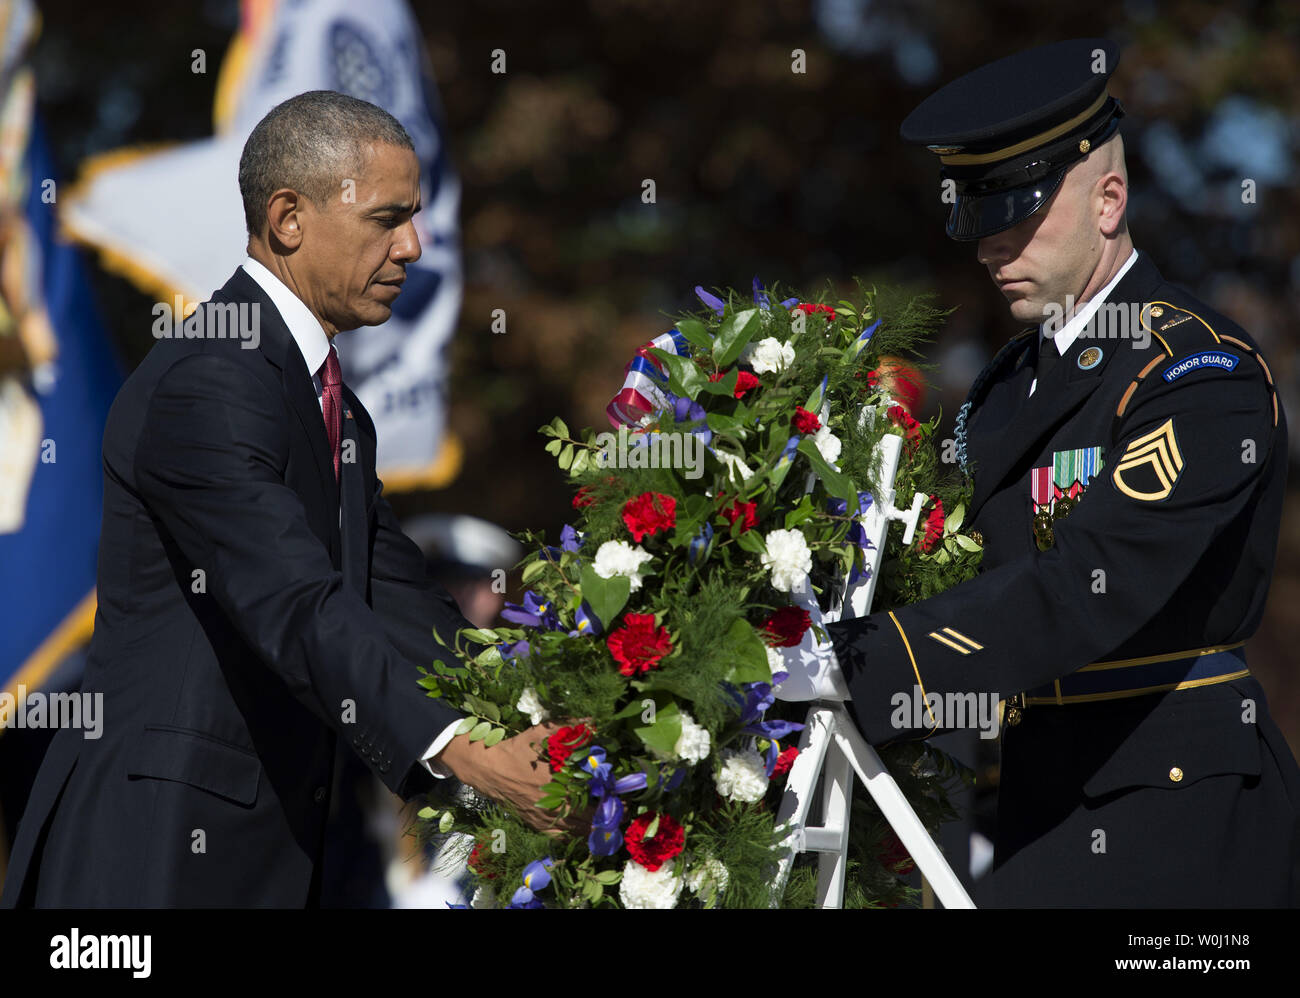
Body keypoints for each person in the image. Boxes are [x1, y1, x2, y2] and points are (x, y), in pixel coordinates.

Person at [1, 91, 560, 908]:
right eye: (387, 218)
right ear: (288, 218)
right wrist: (462, 750)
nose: (414, 245)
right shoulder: (209, 381)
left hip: (270, 854)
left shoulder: (328, 401)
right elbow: (297, 601)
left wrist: (540, 713)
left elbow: (396, 599)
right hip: (154, 859)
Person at [820, 38, 1300, 906]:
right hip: (1030, 805)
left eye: (1019, 213)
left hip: (1175, 812)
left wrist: (851, 666)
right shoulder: (1003, 390)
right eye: (979, 216)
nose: (990, 248)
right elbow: (951, 571)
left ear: (1108, 201)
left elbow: (1085, 586)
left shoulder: (1197, 375)